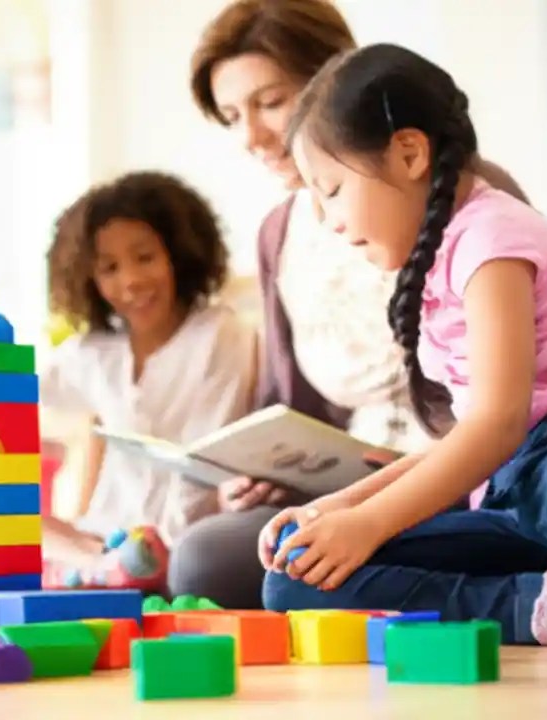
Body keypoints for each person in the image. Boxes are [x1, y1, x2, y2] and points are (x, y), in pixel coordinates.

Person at [261, 42, 547, 648]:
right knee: (296, 582)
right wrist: (339, 508)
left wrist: (368, 521)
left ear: (409, 152)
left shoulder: (493, 233)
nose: (326, 217)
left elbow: (497, 424)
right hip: (512, 481)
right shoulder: (435, 260)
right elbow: (470, 443)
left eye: (331, 189)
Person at [169, 0, 526, 606]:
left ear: (333, 79)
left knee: (228, 566)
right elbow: (289, 406)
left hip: (467, 472)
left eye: (270, 102)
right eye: (231, 115)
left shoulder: (453, 190)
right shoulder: (278, 232)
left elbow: (514, 395)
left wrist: (394, 477)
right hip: (355, 488)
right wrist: (260, 476)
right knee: (206, 556)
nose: (250, 137)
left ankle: (526, 587)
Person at [40, 171, 259, 591]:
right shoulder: (94, 351)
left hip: (182, 547)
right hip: (103, 542)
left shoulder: (218, 334)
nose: (131, 281)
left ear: (177, 254)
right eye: (109, 268)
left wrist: (166, 552)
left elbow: (203, 462)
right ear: (89, 278)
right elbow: (14, 389)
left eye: (145, 258)